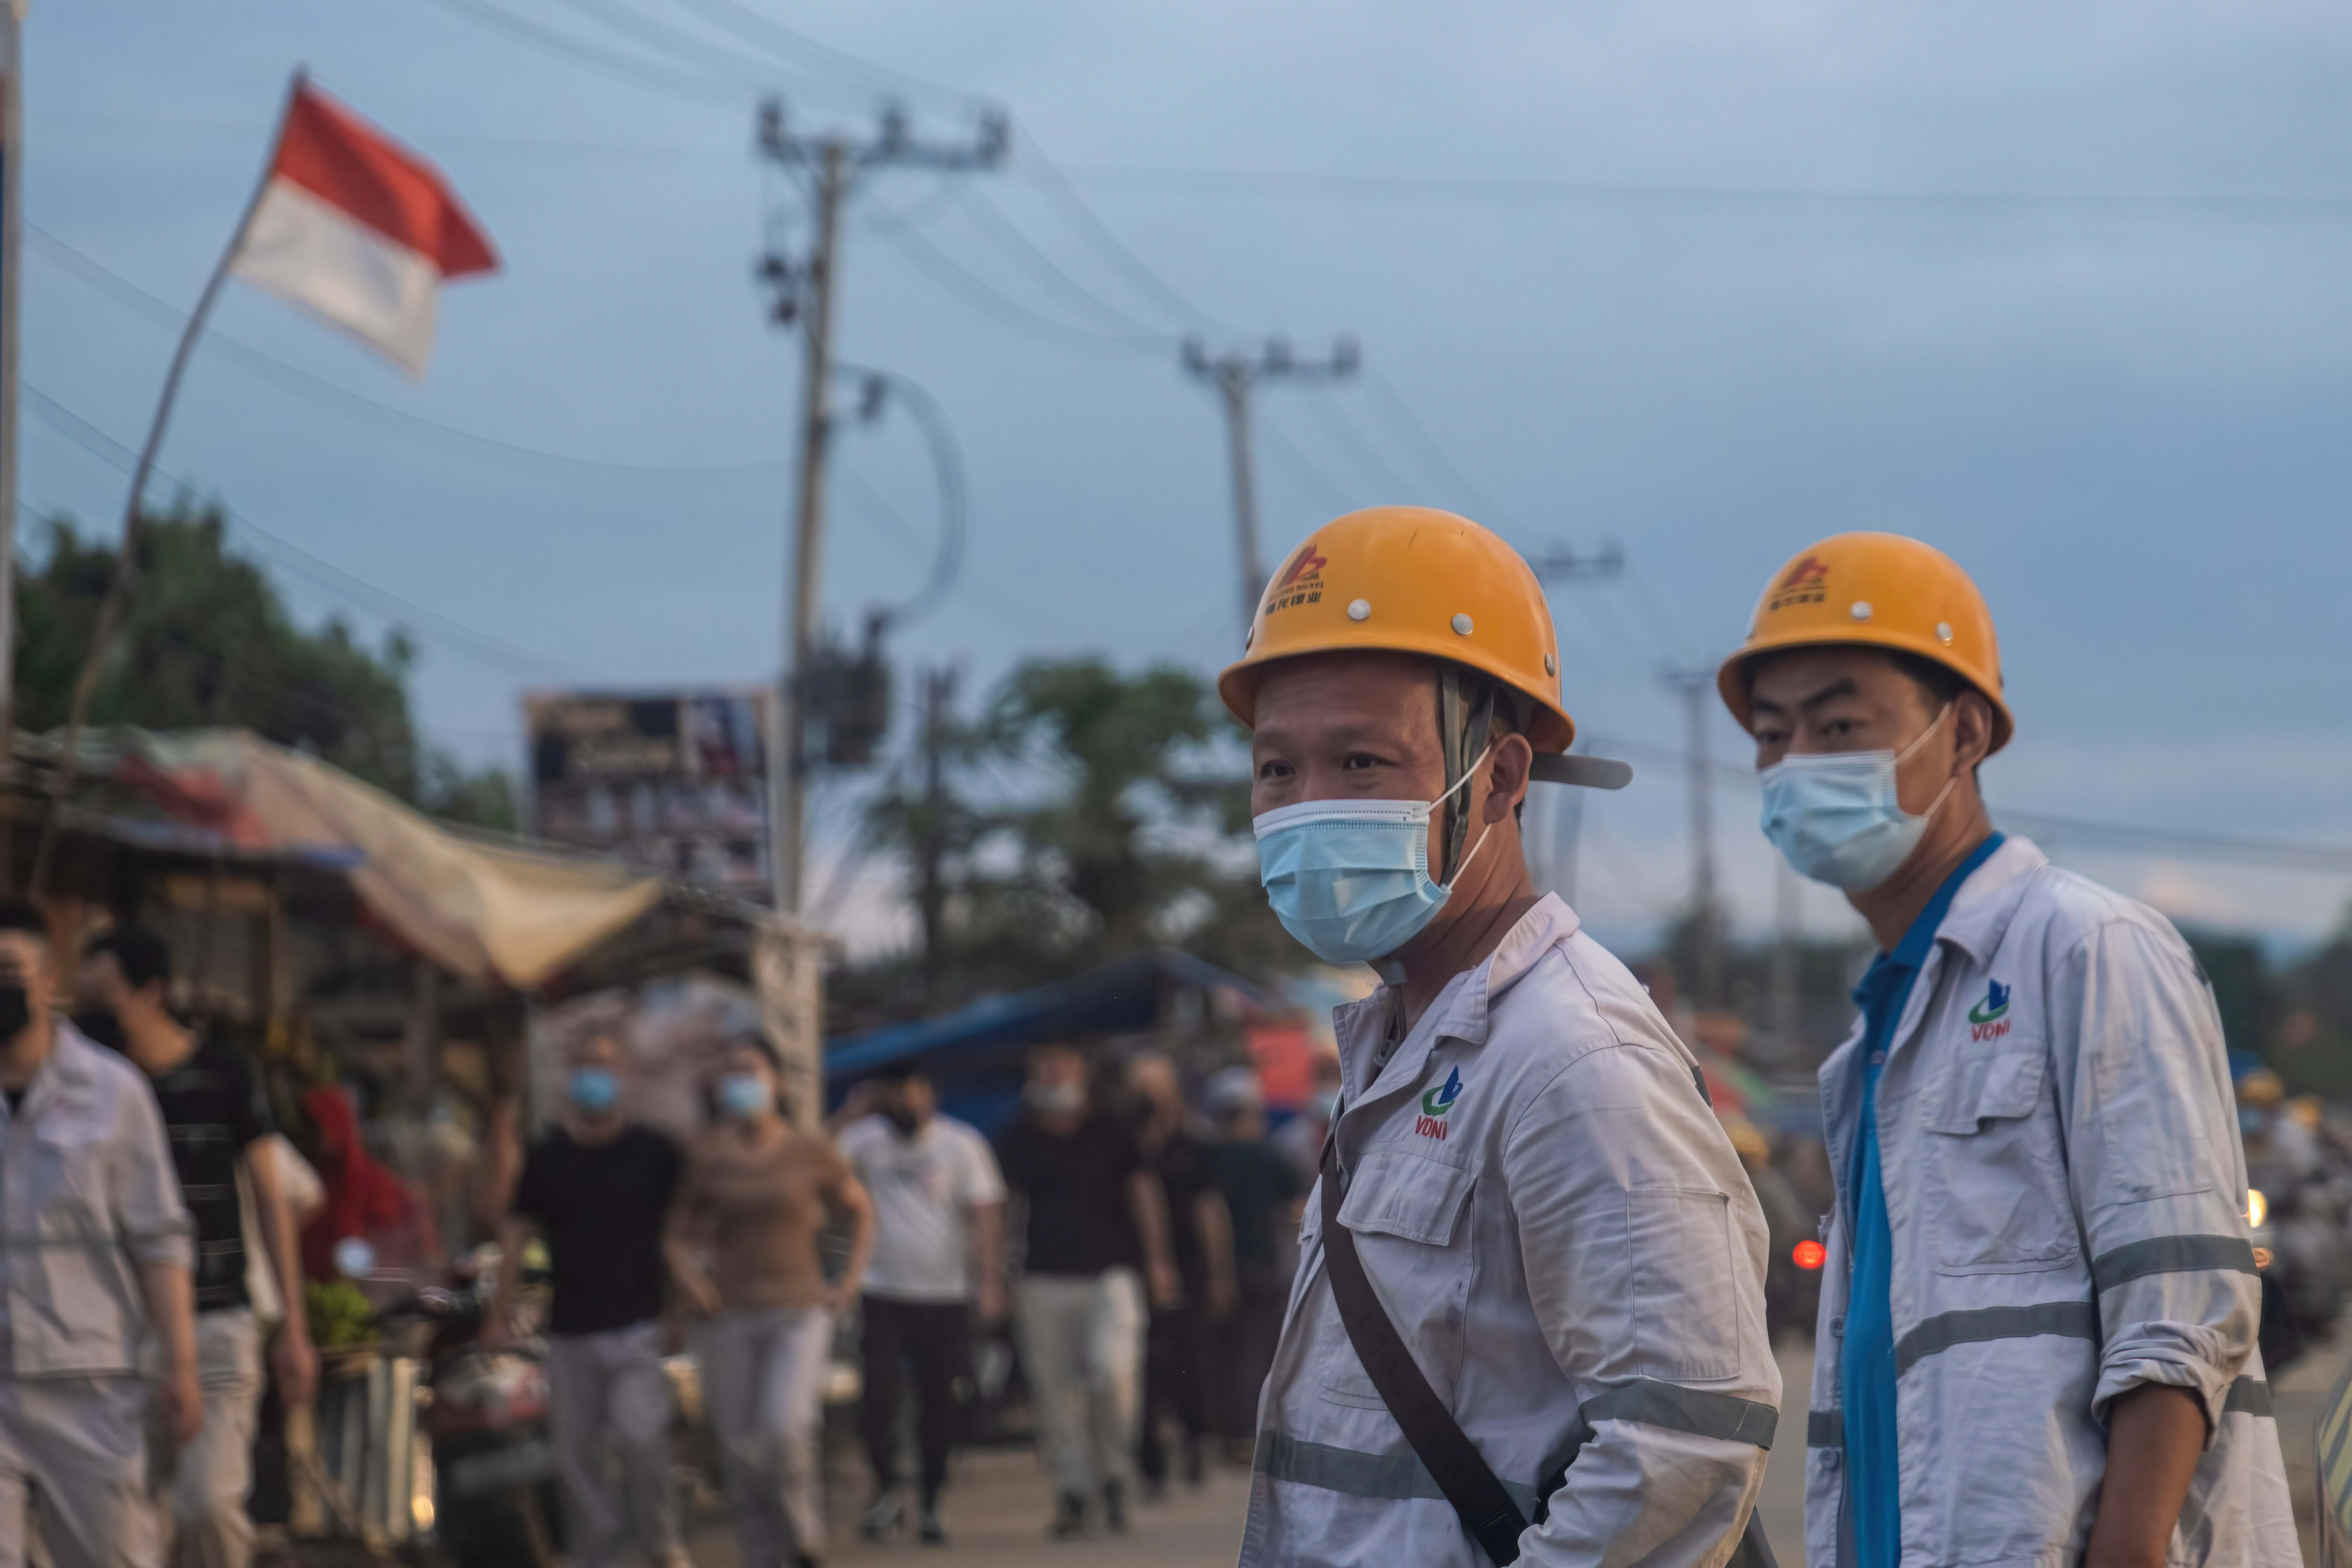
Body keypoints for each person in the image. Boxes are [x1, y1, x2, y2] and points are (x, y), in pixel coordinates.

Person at [1718, 533, 2297, 1568]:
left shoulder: (2085, 949)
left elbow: (2179, 1304)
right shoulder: (1870, 1042)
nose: (1797, 761)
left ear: (1965, 731)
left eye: (1840, 723)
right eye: (1772, 734)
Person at [1224, 509, 1779, 1567]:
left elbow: (1682, 1440)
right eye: (1276, 770)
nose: (1306, 807)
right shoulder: (1402, 1045)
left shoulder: (1577, 1056)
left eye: (1359, 761)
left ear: (1502, 777)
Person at [74, 926, 317, 1568]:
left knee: (206, 1505)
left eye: (105, 997)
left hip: (217, 1324)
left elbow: (273, 1197)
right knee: (133, 1522)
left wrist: (294, 1325)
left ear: (151, 992)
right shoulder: (91, 1089)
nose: (91, 1015)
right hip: (118, 1337)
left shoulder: (223, 1073)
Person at [0, 902, 199, 1568]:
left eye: (8, 970)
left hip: (89, 1386)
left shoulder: (114, 1093)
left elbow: (160, 1237)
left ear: (47, 979)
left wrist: (181, 1363)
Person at [668, 1037, 874, 1568]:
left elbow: (859, 1210)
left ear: (777, 1081)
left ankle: (804, 1540)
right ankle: (762, 1553)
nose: (742, 1082)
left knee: (785, 1428)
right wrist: (691, 1280)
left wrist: (846, 1280)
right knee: (739, 1447)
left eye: (752, 1071)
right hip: (730, 1316)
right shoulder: (706, 1156)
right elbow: (672, 1234)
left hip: (798, 1311)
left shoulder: (807, 1150)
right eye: (732, 1072)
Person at [493, 1034, 687, 1568]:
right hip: (569, 1331)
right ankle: (593, 1554)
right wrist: (500, 1313)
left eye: (603, 1066)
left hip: (637, 1326)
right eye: (583, 1066)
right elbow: (512, 1231)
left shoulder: (656, 1153)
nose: (593, 1077)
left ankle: (660, 1542)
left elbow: (682, 1232)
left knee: (641, 1440)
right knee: (576, 1456)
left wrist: (680, 1307)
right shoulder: (548, 1157)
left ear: (624, 1075)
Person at [992, 1043, 1181, 1539]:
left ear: (1082, 1071)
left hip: (1111, 1275)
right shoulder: (1017, 1135)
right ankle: (1073, 1490)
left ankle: (1115, 1473)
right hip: (1040, 1279)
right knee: (1054, 1394)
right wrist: (994, 1276)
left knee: (1113, 1374)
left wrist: (1159, 1262)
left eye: (1063, 1064)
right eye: (1044, 1066)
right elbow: (1004, 1206)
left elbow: (1143, 1193)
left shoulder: (1112, 1127)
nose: (1054, 1073)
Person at [833, 1064, 1006, 1547]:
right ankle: (886, 1488)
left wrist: (988, 1279)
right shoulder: (863, 1139)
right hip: (881, 1290)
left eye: (911, 1093)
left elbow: (986, 1212)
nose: (903, 1104)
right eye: (893, 1094)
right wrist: (848, 1115)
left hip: (944, 1293)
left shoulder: (961, 1144)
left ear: (930, 1095)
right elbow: (817, 1169)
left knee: (940, 1401)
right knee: (879, 1397)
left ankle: (931, 1498)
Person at [1124, 1052, 1236, 1499]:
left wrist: (1219, 1272)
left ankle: (1194, 1439)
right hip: (1129, 1269)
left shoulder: (1195, 1145)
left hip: (1188, 1268)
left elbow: (1211, 1210)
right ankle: (1149, 1462)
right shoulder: (1122, 1145)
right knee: (1143, 1367)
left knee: (1190, 1361)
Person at [1200, 1069, 1303, 1463]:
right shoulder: (1268, 1157)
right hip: (1260, 1267)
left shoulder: (1208, 1158)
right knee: (1256, 1352)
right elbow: (1299, 1206)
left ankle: (1226, 1430)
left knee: (1223, 1352)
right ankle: (1248, 1432)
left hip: (1212, 1272)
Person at [1269, 1047, 1341, 1189]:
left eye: (1334, 1075)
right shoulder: (1291, 1137)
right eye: (1323, 1077)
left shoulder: (1360, 1128)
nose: (1329, 1084)